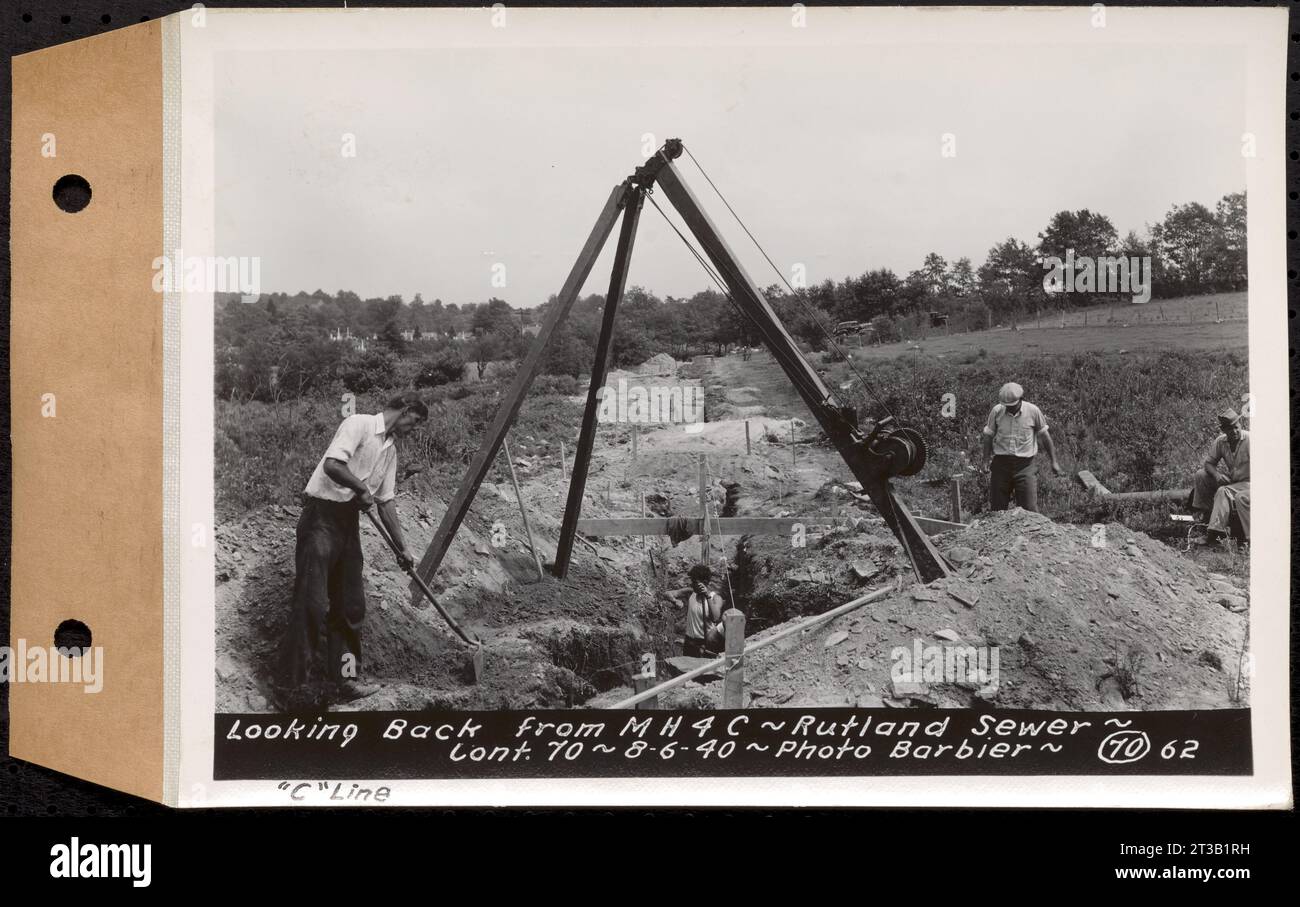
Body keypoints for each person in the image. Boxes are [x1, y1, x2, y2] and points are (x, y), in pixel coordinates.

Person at [278, 391, 428, 704]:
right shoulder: (358, 423)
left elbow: (385, 502)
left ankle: (344, 679)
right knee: (311, 602)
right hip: (321, 516)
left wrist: (403, 548)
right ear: (405, 410)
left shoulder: (390, 450)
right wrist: (360, 487)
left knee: (351, 604)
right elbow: (333, 465)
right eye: (415, 420)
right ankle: (291, 688)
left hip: (347, 524)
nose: (415, 428)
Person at [980, 381, 1064, 512]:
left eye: (1012, 405)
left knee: (1029, 509)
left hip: (1025, 466)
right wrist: (985, 460)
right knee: (997, 510)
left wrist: (1054, 462)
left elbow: (1045, 437)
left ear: (1021, 399)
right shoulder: (997, 411)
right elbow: (988, 436)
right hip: (1001, 465)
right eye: (1007, 406)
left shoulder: (1033, 411)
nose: (1009, 408)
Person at [1192, 409, 1250, 544]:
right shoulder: (1221, 441)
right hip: (1234, 482)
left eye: (1236, 427)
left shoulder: (1251, 440)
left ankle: (1213, 534)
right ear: (1224, 430)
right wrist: (1217, 475)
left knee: (1223, 491)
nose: (1234, 432)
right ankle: (1205, 516)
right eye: (1230, 429)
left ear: (1241, 424)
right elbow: (1209, 463)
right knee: (1201, 475)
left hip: (1250, 484)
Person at [662, 564, 725, 657]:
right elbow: (667, 593)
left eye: (694, 582)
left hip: (705, 644)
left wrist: (707, 595)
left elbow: (715, 618)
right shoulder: (691, 593)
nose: (691, 584)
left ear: (705, 582)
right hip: (689, 643)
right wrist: (675, 601)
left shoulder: (716, 598)